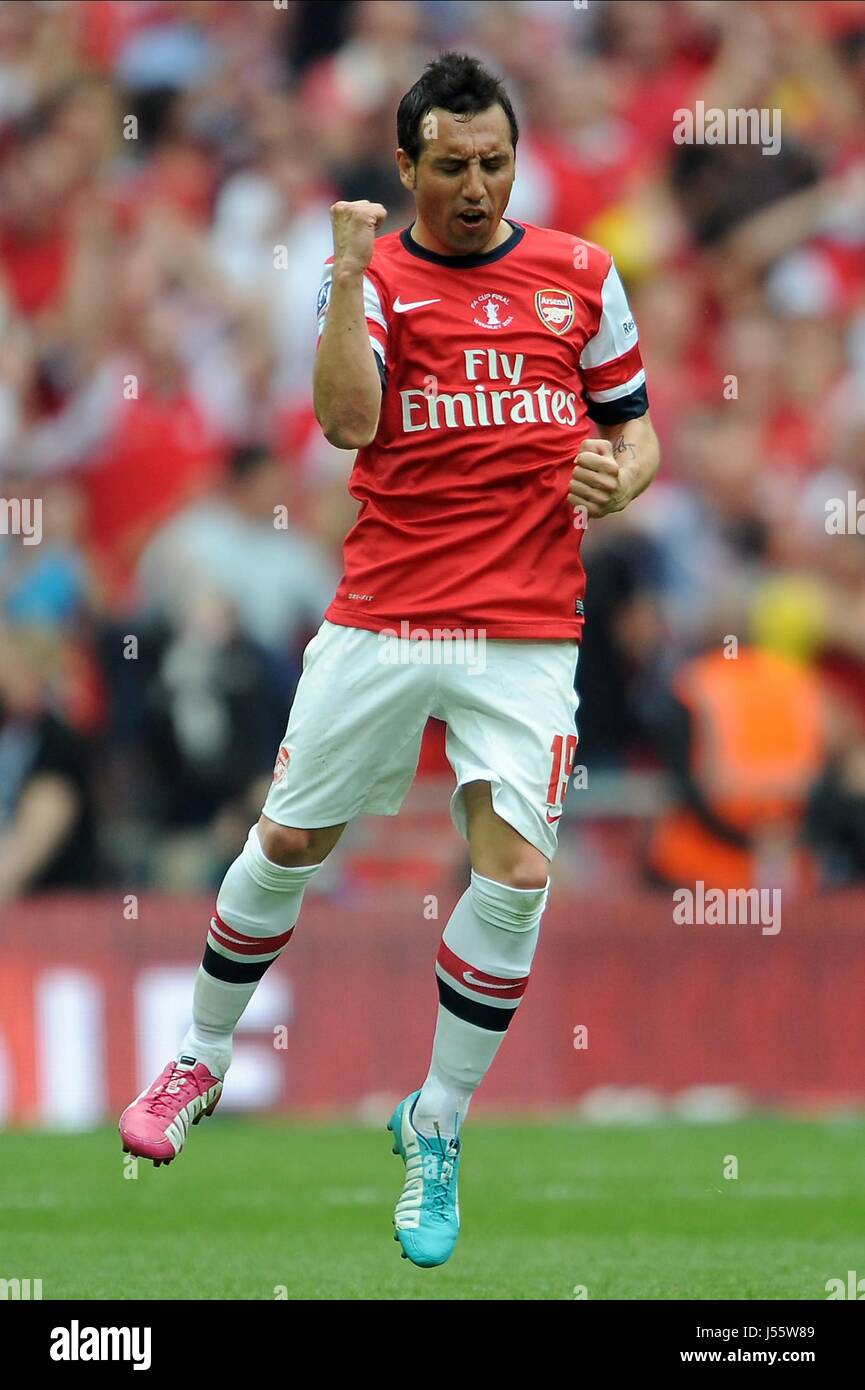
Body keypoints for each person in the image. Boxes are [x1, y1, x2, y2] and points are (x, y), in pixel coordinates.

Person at [119, 51, 660, 1270]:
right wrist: (356, 270)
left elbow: (634, 428)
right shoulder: (366, 275)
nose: (477, 186)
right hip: (384, 614)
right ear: (407, 166)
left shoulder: (581, 275)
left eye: (495, 162)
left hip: (525, 625)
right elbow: (348, 422)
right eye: (453, 165)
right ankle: (200, 1059)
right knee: (291, 841)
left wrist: (620, 478)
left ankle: (435, 1123)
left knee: (516, 868)